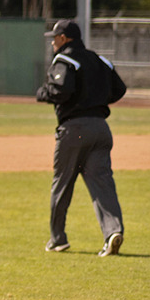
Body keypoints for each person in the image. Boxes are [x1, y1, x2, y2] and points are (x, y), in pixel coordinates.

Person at [35, 18, 129, 257]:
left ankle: (57, 239)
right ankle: (112, 233)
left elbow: (61, 89)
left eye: (55, 38)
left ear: (65, 39)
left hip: (74, 129)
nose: (53, 42)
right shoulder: (99, 60)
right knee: (102, 183)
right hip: (101, 128)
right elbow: (119, 89)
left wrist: (43, 92)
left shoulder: (64, 59)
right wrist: (94, 101)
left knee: (62, 183)